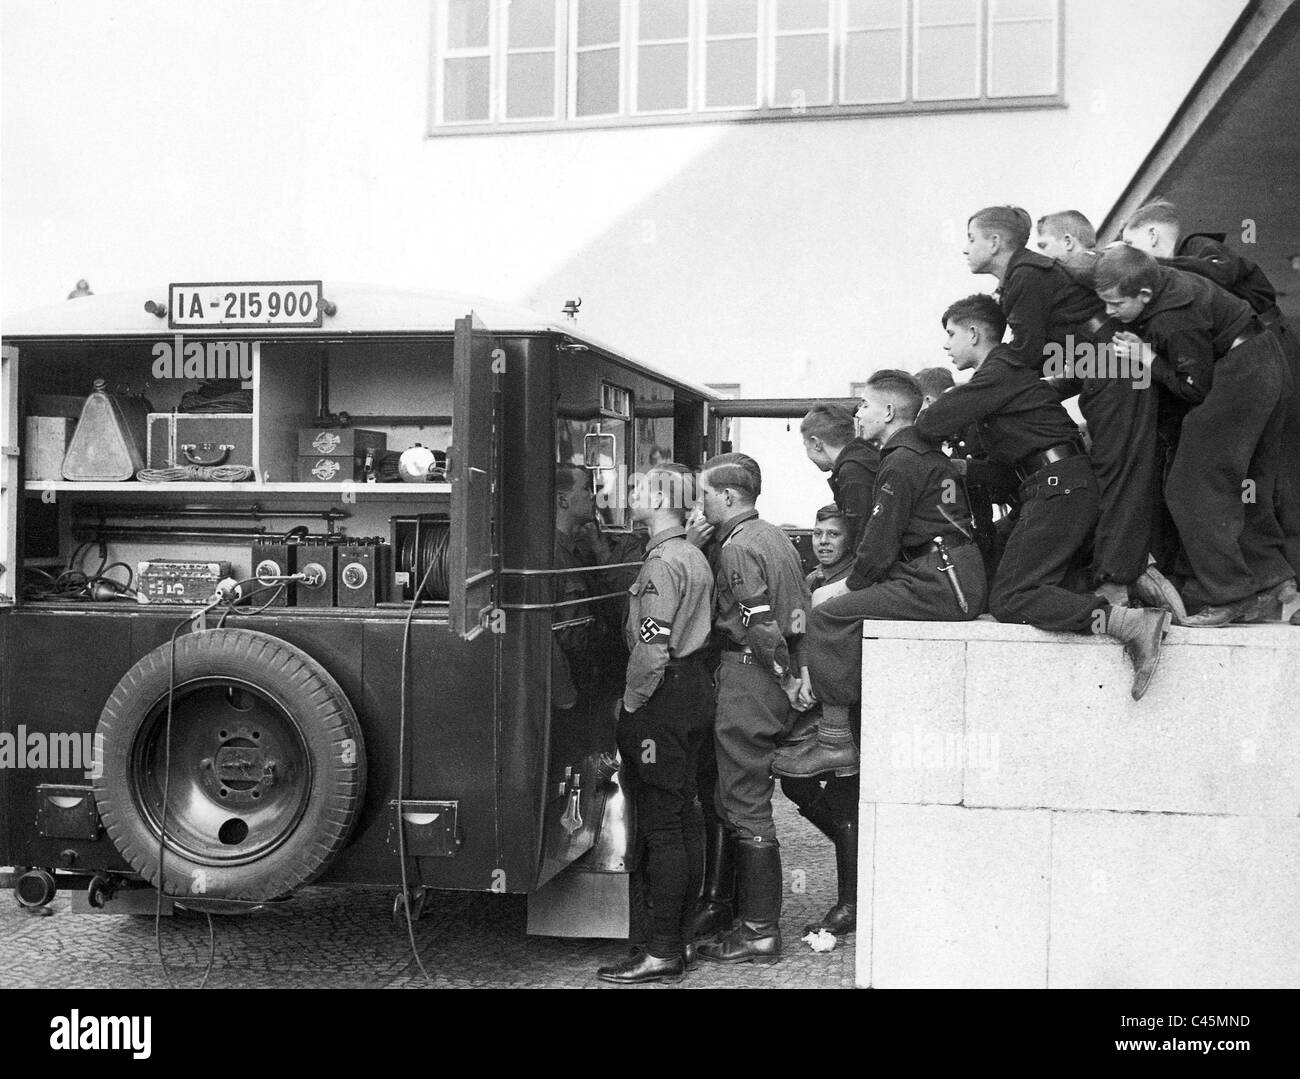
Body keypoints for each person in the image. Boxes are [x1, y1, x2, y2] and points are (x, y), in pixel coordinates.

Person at [914, 295, 1171, 700]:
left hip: (1057, 486)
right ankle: (1124, 589)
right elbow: (1010, 461)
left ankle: (1127, 622)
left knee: (1011, 597)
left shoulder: (997, 372)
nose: (946, 345)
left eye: (951, 334)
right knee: (1008, 571)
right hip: (1054, 485)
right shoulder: (1005, 377)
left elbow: (932, 421)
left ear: (975, 333)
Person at [775, 371, 986, 780]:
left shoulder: (901, 461)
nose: (859, 413)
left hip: (941, 580)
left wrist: (843, 588)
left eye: (866, 405)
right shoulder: (917, 454)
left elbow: (879, 542)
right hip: (946, 572)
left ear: (888, 412)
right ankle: (834, 732)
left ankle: (835, 741)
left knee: (829, 615)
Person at [1093, 243, 1294, 625]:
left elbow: (1193, 388)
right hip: (1265, 360)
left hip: (1241, 375)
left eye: (1116, 304)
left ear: (1145, 295)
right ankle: (1271, 580)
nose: (1109, 312)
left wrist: (1148, 359)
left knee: (1190, 487)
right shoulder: (1159, 276)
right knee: (1244, 481)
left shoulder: (1173, 319)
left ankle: (1230, 593)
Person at [1122, 198, 1300, 595]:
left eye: (1134, 246)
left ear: (1152, 235)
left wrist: (1154, 266)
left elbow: (1222, 272)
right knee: (1255, 481)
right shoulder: (1174, 286)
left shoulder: (1200, 248)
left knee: (1277, 482)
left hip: (1268, 356)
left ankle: (1253, 584)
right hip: (1260, 361)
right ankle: (1276, 582)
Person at [596, 464, 715, 984]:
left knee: (662, 825)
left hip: (660, 699)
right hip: (691, 691)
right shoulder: (690, 554)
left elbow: (651, 644)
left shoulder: (662, 565)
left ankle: (661, 949)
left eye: (638, 489)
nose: (629, 495)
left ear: (660, 498)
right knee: (684, 816)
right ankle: (680, 940)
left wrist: (631, 702)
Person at [694, 452, 811, 964]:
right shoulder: (774, 535)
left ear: (727, 497)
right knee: (741, 797)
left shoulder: (738, 548)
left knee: (744, 799)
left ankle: (760, 930)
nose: (699, 504)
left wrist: (784, 679)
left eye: (704, 495)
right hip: (768, 673)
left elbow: (760, 622)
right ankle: (746, 918)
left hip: (751, 677)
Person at [1034, 208, 1177, 615]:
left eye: (1044, 246)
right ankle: (1130, 570)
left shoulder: (1096, 265)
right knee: (1114, 475)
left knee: (1120, 475)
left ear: (1068, 243)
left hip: (1118, 362)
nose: (1040, 257)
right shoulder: (1073, 280)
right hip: (1099, 359)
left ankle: (1120, 578)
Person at [778, 505, 860, 937]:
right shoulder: (814, 581)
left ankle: (850, 902)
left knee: (846, 798)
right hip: (816, 706)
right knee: (795, 780)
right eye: (818, 534)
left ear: (851, 541)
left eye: (833, 534)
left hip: (843, 710)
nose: (823, 541)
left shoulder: (850, 585)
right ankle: (864, 851)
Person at [800, 402, 880, 546]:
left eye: (805, 445)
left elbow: (864, 539)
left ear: (816, 443)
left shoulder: (853, 474)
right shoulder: (865, 459)